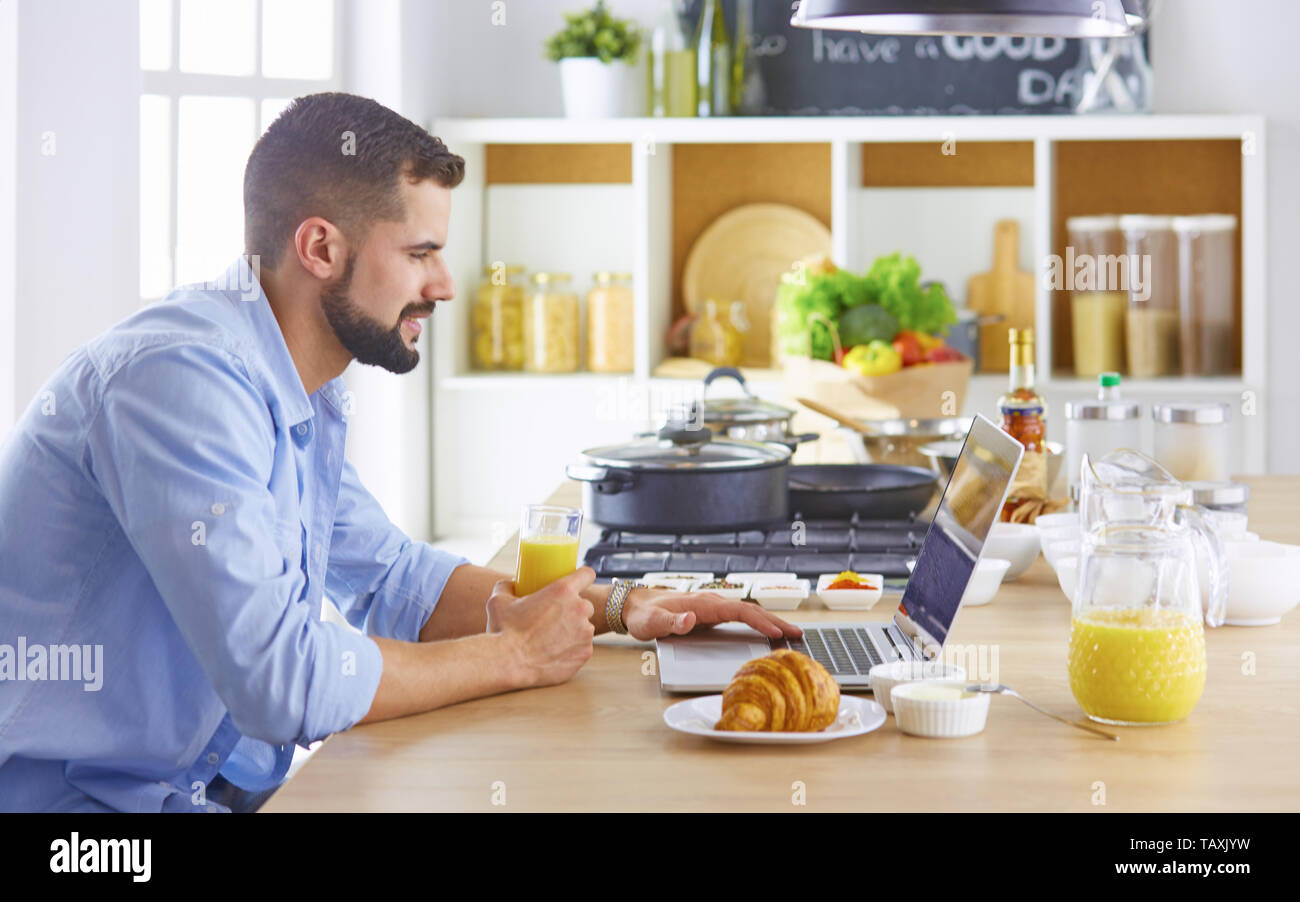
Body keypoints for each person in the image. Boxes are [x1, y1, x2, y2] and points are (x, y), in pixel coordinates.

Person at [0, 92, 800, 812]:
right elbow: (283, 682)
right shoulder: (182, 384)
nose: (445, 285)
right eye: (420, 253)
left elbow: (389, 578)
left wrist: (628, 608)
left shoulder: (290, 383)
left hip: (202, 790)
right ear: (321, 248)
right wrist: (511, 656)